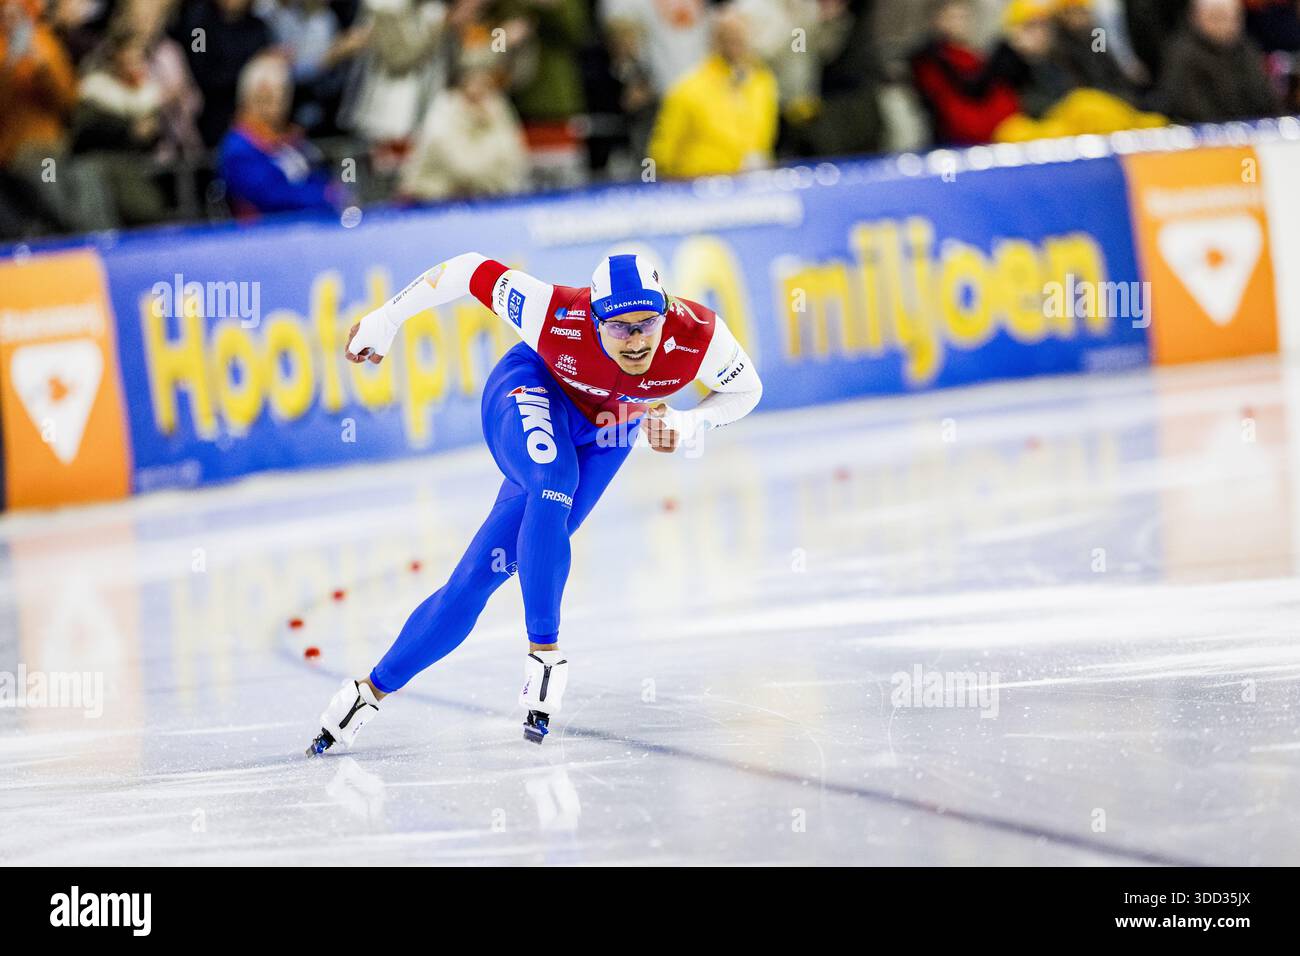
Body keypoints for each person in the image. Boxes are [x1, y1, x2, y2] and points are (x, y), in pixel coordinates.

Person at [306, 252, 763, 752]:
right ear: (593, 317)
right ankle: (544, 654)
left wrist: (693, 421)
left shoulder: (698, 335)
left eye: (646, 324)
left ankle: (367, 693)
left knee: (481, 576)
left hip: (609, 433)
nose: (636, 341)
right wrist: (387, 317)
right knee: (553, 476)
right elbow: (467, 270)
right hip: (530, 391)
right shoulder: (552, 312)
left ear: (665, 310)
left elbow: (746, 390)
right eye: (619, 328)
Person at [647, 3, 779, 178]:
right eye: (728, 38)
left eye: (741, 37)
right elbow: (661, 156)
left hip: (752, 188)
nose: (736, 45)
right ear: (714, 41)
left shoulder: (763, 82)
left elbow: (763, 143)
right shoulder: (687, 89)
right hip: (700, 191)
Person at [218, 53, 341, 216]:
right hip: (268, 230)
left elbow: (314, 175)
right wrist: (323, 196)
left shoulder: (291, 139)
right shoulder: (239, 147)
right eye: (266, 98)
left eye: (282, 97)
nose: (276, 106)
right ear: (247, 98)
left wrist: (332, 191)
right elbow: (268, 196)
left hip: (312, 223)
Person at [1153, 0, 1280, 123]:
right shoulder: (1182, 54)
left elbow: (1266, 98)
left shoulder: (1247, 49)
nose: (1227, 25)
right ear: (1196, 17)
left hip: (1253, 130)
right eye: (1217, 17)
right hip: (1205, 136)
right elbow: (1191, 110)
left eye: (1233, 18)